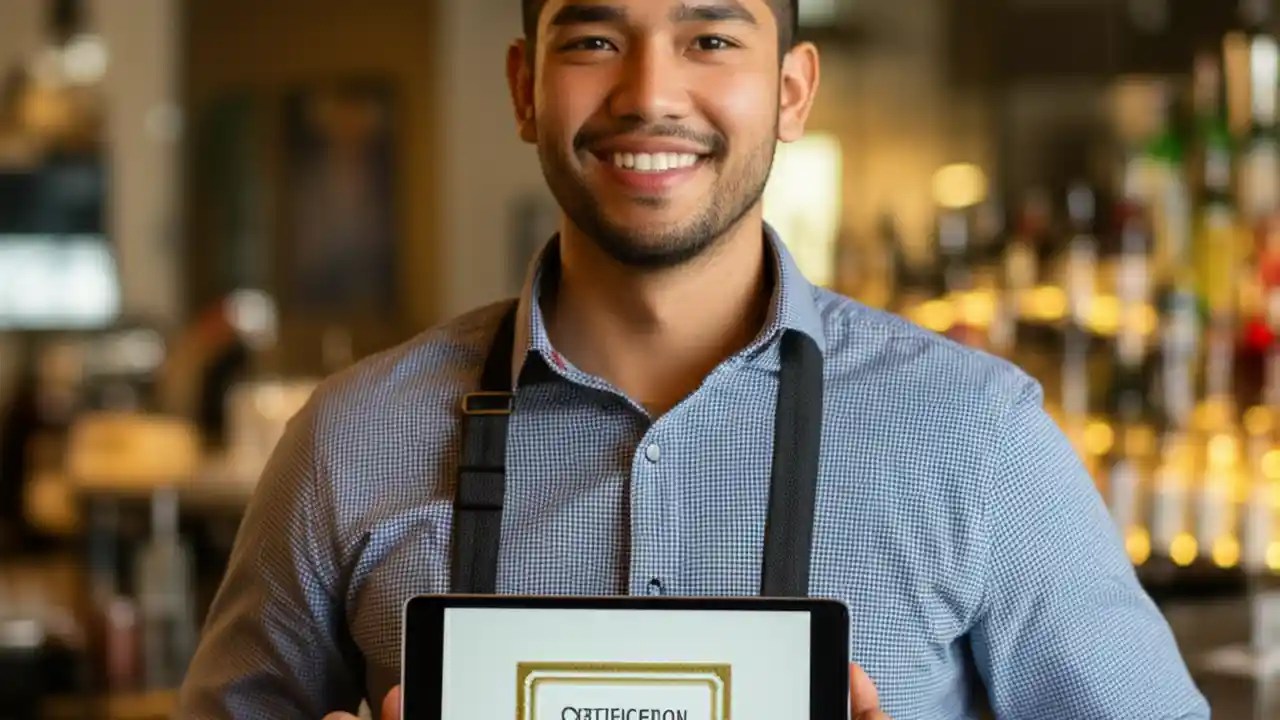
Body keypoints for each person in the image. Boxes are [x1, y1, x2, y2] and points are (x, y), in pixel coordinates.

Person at [178, 0, 1212, 718]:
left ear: (792, 92)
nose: (648, 92)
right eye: (591, 38)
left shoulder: (974, 435)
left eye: (710, 37)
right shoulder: (349, 439)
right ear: (524, 87)